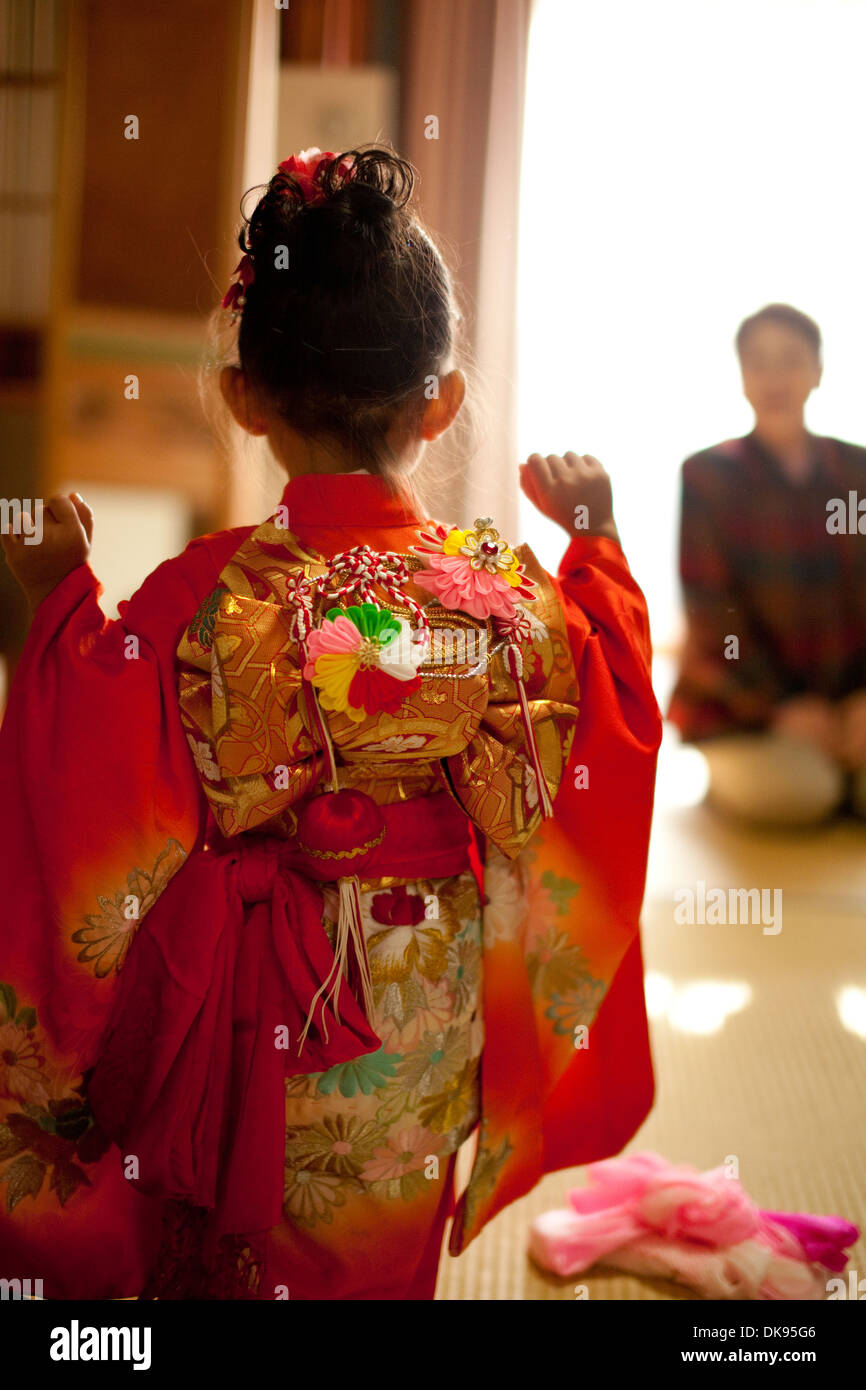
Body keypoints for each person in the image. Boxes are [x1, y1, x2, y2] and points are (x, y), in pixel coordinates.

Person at [0, 147, 661, 1300]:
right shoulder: (505, 593)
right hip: (423, 1012)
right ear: (441, 398)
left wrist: (58, 599)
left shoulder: (202, 594)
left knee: (223, 1237)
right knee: (377, 1236)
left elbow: (90, 767)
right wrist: (594, 544)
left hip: (252, 1002)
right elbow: (607, 712)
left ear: (244, 398)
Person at [668, 303, 866, 827]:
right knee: (800, 798)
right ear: (742, 377)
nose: (775, 376)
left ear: (818, 372)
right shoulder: (709, 476)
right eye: (758, 362)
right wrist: (782, 707)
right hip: (745, 708)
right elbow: (713, 614)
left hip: (850, 703)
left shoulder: (858, 471)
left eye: (791, 360)